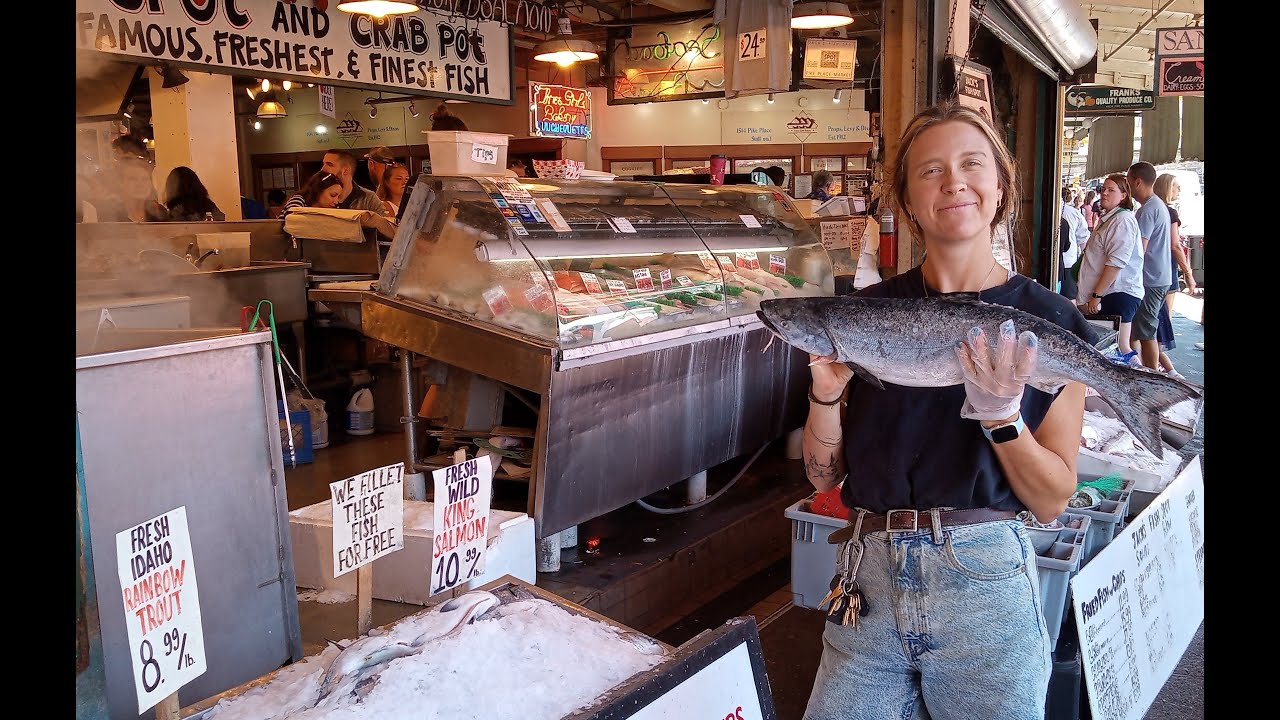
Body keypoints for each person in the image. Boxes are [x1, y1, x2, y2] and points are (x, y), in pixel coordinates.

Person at [802, 101, 1088, 720]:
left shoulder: (1052, 323)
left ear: (1000, 185)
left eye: (971, 164)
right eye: (930, 171)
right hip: (866, 579)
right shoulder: (865, 315)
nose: (953, 181)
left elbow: (1052, 498)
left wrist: (1002, 418)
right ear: (906, 200)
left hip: (983, 583)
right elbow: (824, 482)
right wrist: (825, 392)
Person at [1076, 174, 1144, 365]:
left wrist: (1097, 295)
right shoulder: (1109, 219)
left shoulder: (1122, 220)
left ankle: (1138, 382)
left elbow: (1116, 263)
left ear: (1123, 195)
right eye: (1103, 189)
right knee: (1115, 347)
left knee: (1120, 347)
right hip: (1111, 293)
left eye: (1111, 190)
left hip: (1117, 293)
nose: (1104, 193)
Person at [1126, 162, 1172, 371]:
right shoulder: (1157, 205)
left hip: (1151, 279)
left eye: (1128, 183)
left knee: (1146, 332)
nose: (1128, 188)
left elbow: (1139, 250)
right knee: (1140, 329)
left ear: (1137, 182)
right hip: (1158, 277)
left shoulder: (1148, 210)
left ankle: (1153, 376)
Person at [1151, 173, 1197, 380]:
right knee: (1162, 319)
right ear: (1168, 188)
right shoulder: (1169, 212)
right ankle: (1160, 365)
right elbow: (1175, 245)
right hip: (1165, 271)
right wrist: (1188, 273)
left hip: (1153, 270)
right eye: (1177, 187)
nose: (1178, 191)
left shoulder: (1150, 209)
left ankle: (1159, 362)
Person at [96, 157, 169, 222]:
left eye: (145, 179)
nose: (140, 184)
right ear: (121, 183)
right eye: (133, 179)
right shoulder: (111, 214)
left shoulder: (158, 211)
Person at [321, 149, 389, 215]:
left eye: (329, 165)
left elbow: (385, 224)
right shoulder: (318, 195)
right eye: (323, 164)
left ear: (346, 171)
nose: (323, 169)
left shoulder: (368, 198)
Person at [1059, 186, 1088, 297]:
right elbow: (1083, 240)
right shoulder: (1074, 213)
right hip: (1069, 262)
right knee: (1070, 297)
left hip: (1056, 263)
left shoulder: (1048, 210)